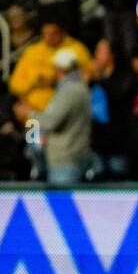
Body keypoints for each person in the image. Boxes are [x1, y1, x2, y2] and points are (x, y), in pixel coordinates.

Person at [37, 48, 93, 184]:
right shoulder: (79, 87)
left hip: (65, 159)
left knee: (61, 204)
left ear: (59, 69)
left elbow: (50, 122)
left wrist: (29, 115)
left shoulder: (69, 90)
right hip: (73, 155)